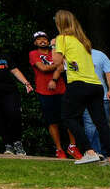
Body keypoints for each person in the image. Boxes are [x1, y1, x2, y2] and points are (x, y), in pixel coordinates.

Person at [53, 10, 110, 167]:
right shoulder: (83, 41)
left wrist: (54, 47)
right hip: (96, 86)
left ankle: (89, 152)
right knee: (101, 122)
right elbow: (74, 63)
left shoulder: (62, 38)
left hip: (78, 84)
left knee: (68, 117)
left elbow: (57, 61)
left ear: (60, 23)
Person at [28, 30, 81, 158]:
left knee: (69, 118)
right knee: (52, 121)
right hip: (44, 91)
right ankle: (59, 149)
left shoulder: (57, 52)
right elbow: (43, 68)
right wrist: (58, 65)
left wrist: (55, 77)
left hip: (61, 89)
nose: (42, 41)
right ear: (35, 42)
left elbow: (63, 67)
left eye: (44, 38)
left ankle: (72, 147)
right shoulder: (33, 53)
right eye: (39, 39)